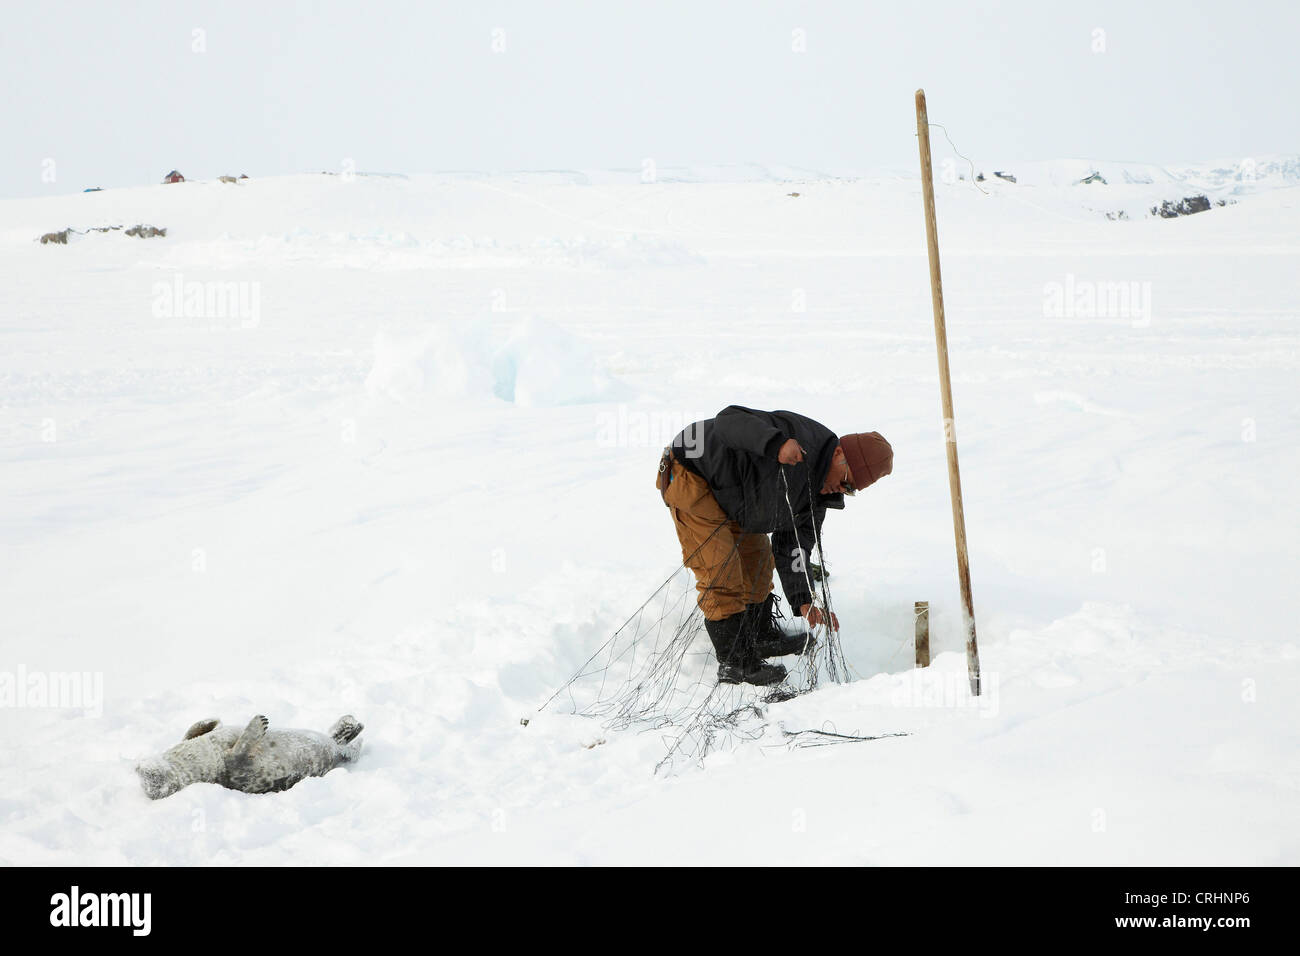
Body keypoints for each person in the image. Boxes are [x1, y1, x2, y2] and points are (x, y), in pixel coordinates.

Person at [656, 406, 893, 686]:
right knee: (722, 570)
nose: (841, 491)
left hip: (732, 494)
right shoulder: (797, 438)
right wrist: (774, 444)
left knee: (758, 560)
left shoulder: (818, 495)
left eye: (850, 490)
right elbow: (728, 420)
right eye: (845, 482)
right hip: (691, 472)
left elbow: (794, 545)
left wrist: (802, 599)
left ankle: (760, 635)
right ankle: (736, 662)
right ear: (840, 454)